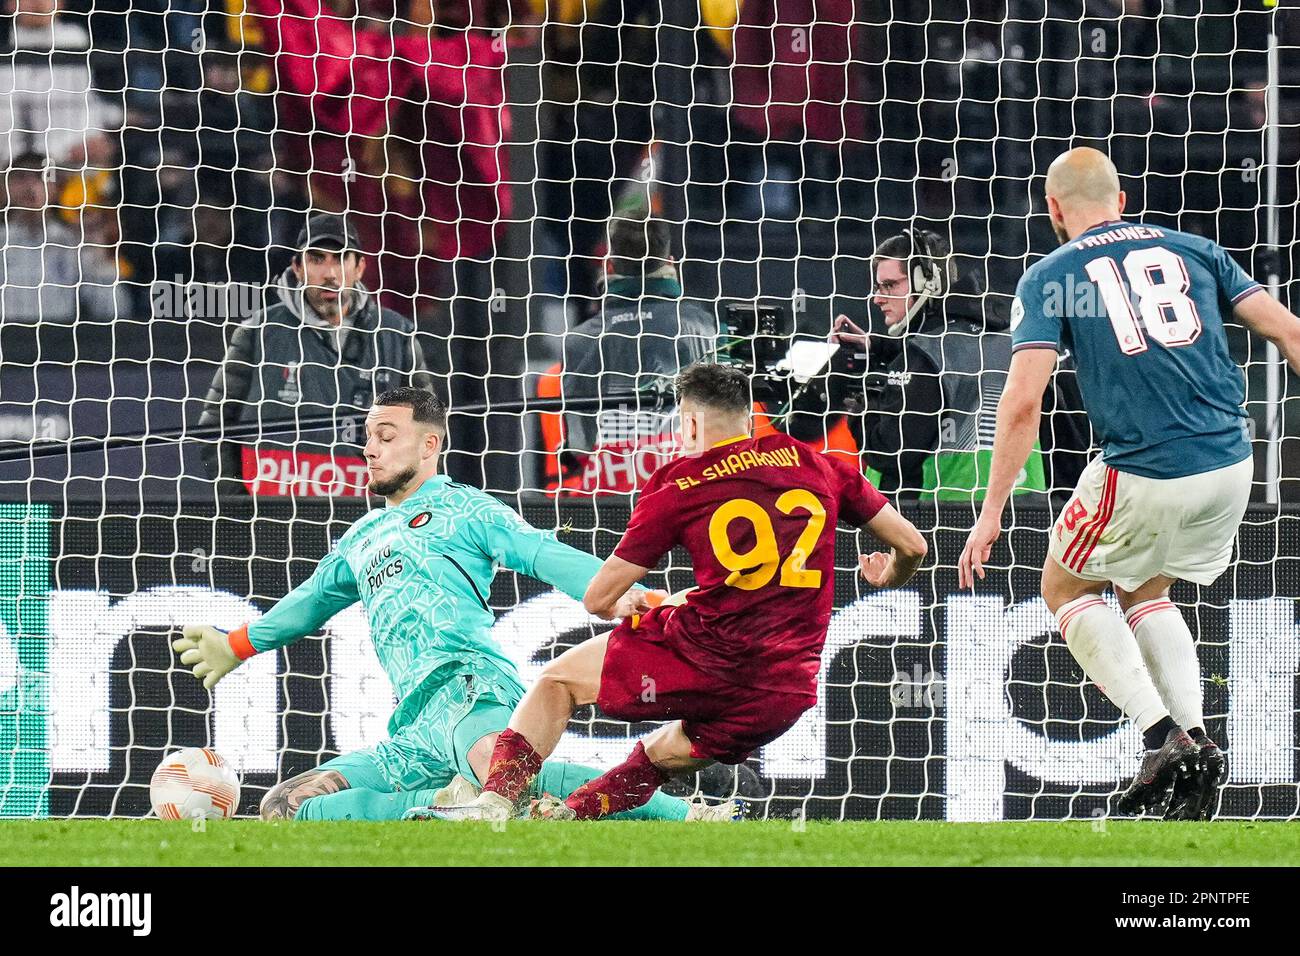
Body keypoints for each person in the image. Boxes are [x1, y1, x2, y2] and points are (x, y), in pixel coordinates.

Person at [172, 387, 729, 823]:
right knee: (287, 806)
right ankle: (442, 802)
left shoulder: (465, 509)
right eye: (368, 436)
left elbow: (541, 553)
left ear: (429, 444)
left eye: (386, 435)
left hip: (470, 689)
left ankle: (693, 814)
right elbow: (311, 601)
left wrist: (623, 596)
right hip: (413, 727)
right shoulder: (360, 538)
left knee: (502, 773)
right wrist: (237, 643)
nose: (369, 448)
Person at [420, 362, 927, 822]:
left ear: (688, 423)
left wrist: (634, 601)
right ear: (748, 420)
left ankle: (492, 803)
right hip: (782, 688)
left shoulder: (680, 483)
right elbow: (913, 546)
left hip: (704, 656)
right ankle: (570, 817)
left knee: (556, 681)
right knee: (658, 757)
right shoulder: (818, 465)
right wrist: (889, 576)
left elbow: (598, 599)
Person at [958, 146, 1300, 820]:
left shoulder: (1052, 275)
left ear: (1054, 209)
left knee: (1062, 586)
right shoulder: (1197, 251)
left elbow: (1023, 400)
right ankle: (1199, 743)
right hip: (1232, 463)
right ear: (1121, 199)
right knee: (1145, 586)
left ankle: (1158, 735)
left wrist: (992, 509)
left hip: (1147, 466)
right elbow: (1288, 332)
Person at [196, 212, 431, 496]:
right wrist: (239, 503)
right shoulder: (259, 331)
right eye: (317, 259)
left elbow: (428, 430)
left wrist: (410, 508)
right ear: (297, 267)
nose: (330, 274)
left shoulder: (398, 334)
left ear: (360, 267)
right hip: (276, 518)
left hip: (370, 519)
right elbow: (214, 425)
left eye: (341, 258)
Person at [829, 229, 1048, 499]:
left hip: (948, 517)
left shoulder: (925, 356)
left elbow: (890, 453)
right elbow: (957, 357)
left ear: (926, 282)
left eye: (890, 285)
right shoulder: (1013, 342)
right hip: (1030, 507)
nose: (877, 298)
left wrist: (861, 409)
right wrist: (879, 347)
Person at [546, 216, 716, 494]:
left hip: (609, 497)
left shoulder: (579, 340)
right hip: (688, 490)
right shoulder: (705, 327)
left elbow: (578, 447)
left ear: (609, 267)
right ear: (670, 263)